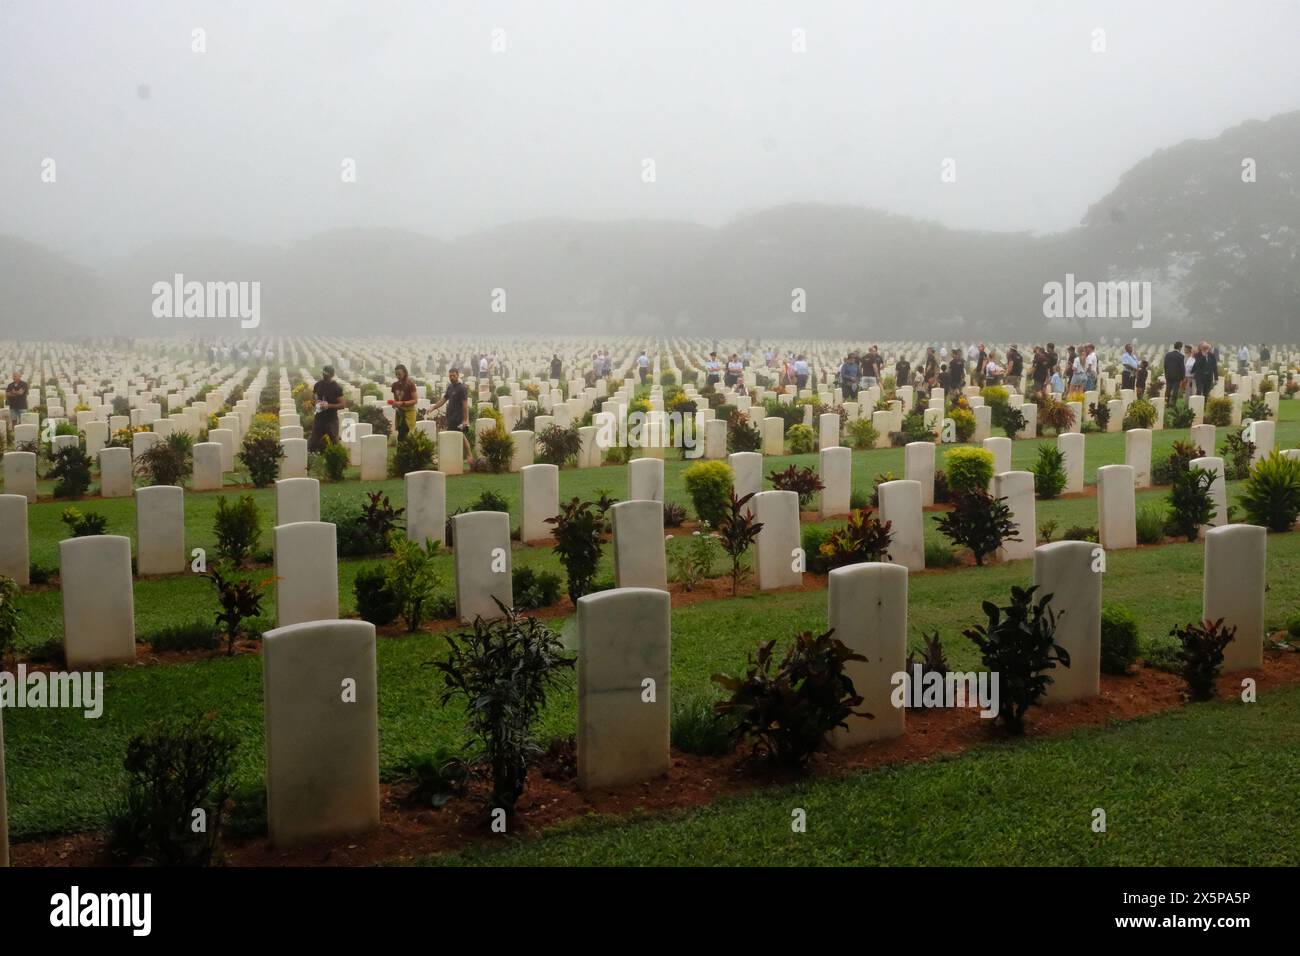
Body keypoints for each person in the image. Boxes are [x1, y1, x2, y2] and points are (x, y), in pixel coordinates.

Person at [430, 367, 474, 463]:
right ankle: (466, 455)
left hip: (458, 417)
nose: (451, 377)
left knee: (460, 436)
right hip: (451, 417)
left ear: (458, 375)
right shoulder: (450, 387)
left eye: (453, 376)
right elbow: (444, 399)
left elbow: (465, 405)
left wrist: (466, 419)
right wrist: (434, 407)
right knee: (459, 436)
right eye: (450, 376)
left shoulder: (461, 388)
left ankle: (469, 455)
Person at [307, 365, 346, 453]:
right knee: (312, 444)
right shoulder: (317, 385)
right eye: (324, 374)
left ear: (332, 375)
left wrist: (328, 406)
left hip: (331, 419)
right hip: (319, 418)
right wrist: (315, 403)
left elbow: (343, 404)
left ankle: (338, 461)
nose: (325, 376)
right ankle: (309, 461)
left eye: (327, 374)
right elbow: (313, 398)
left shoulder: (336, 388)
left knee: (335, 443)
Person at [388, 364, 419, 441]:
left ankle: (402, 452)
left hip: (409, 412)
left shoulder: (410, 384)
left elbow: (415, 400)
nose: (398, 376)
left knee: (402, 435)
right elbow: (396, 399)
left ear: (405, 373)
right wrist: (394, 404)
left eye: (399, 374)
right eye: (396, 374)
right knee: (401, 433)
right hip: (399, 412)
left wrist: (402, 403)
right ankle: (402, 452)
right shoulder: (394, 385)